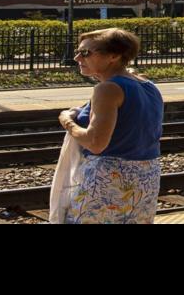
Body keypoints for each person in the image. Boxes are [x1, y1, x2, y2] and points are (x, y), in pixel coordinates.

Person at [55, 28, 164, 224]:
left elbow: (96, 142)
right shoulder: (149, 86)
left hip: (109, 177)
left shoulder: (107, 89)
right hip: (146, 177)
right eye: (78, 52)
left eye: (86, 53)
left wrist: (67, 121)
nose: (78, 57)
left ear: (114, 56)